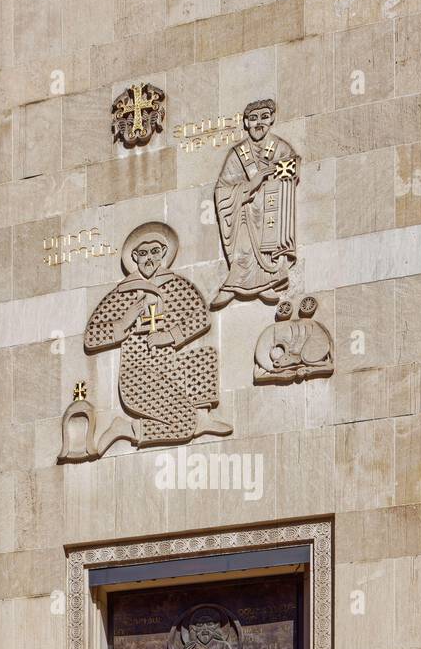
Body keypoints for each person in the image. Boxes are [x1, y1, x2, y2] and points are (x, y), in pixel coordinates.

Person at [84, 222, 231, 455]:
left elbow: (201, 317)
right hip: (139, 374)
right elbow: (92, 336)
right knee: (183, 426)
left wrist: (170, 336)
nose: (149, 259)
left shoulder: (176, 285)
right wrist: (124, 322)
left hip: (171, 368)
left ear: (163, 253)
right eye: (142, 253)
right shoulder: (124, 293)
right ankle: (125, 428)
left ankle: (202, 417)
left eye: (154, 251)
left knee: (205, 355)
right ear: (134, 258)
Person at [213, 98, 299, 309]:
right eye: (253, 119)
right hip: (245, 211)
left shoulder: (280, 148)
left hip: (270, 210)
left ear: (272, 120)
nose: (258, 123)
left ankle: (269, 281)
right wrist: (251, 185)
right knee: (243, 243)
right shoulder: (237, 154)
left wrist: (272, 182)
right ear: (245, 123)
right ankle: (235, 283)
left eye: (264, 117)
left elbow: (291, 170)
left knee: (268, 240)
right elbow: (222, 189)